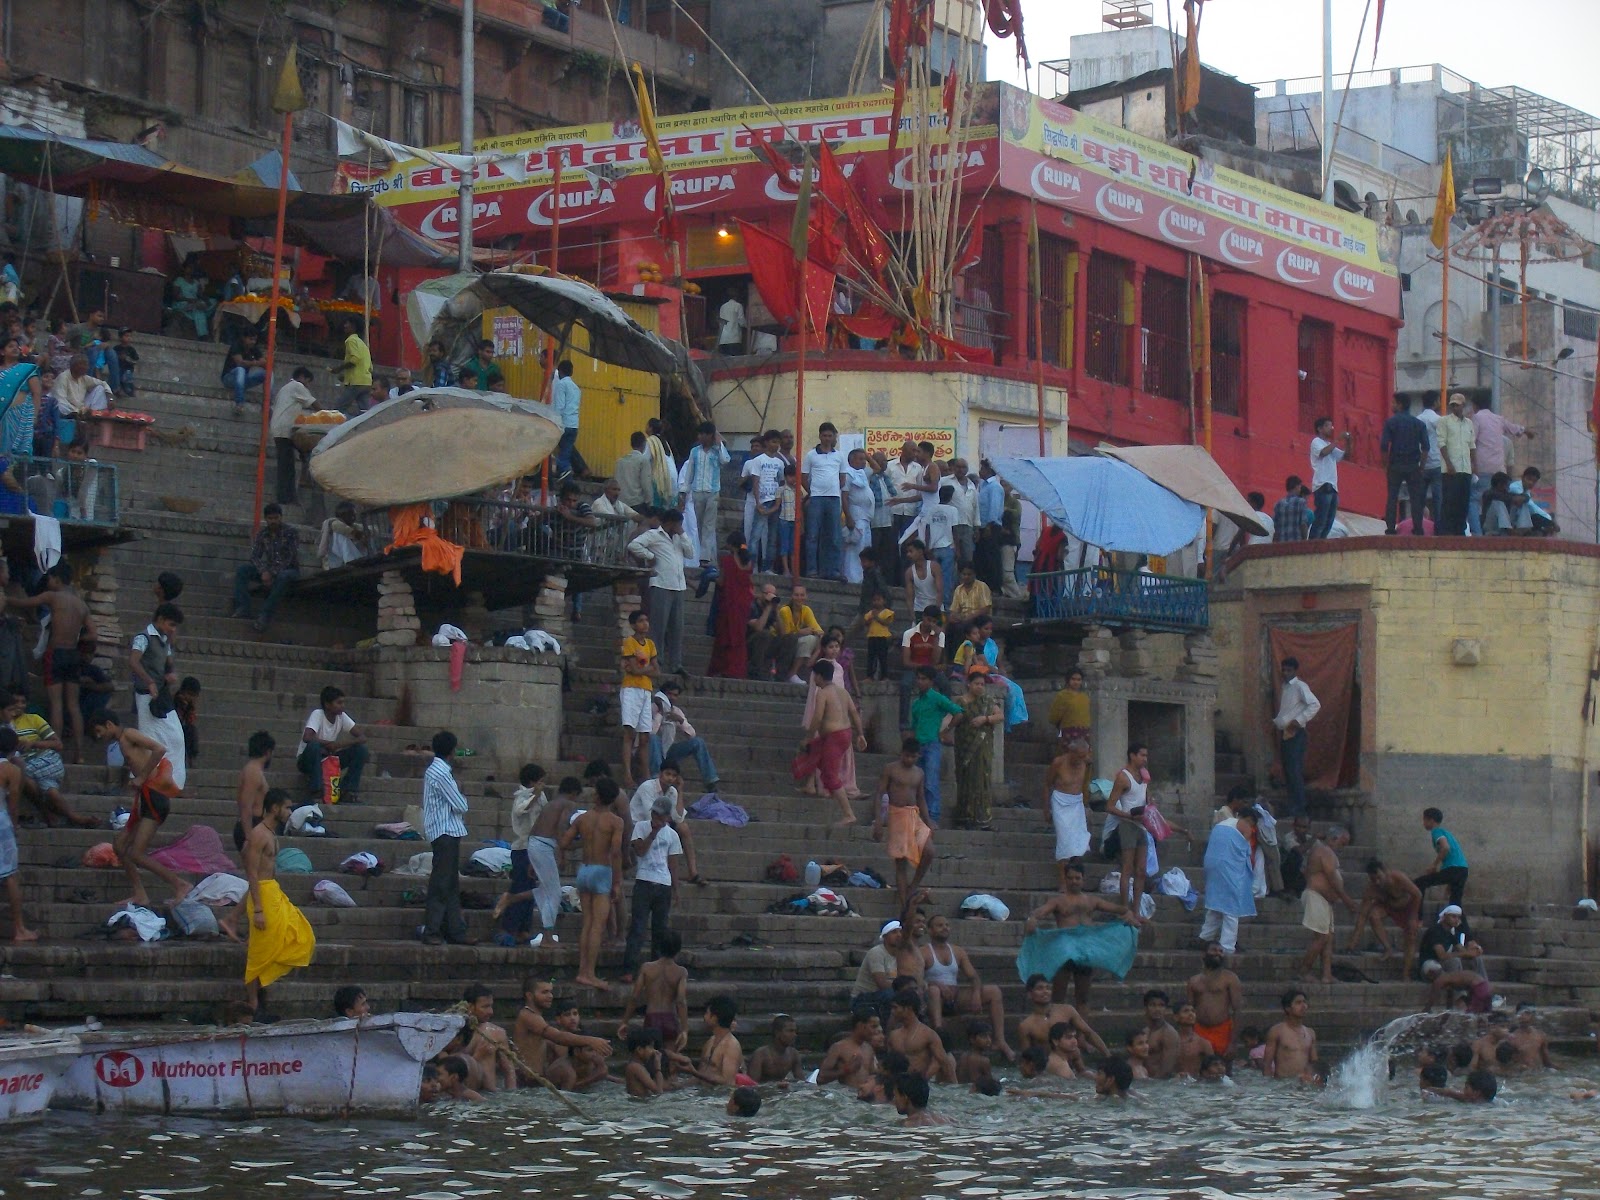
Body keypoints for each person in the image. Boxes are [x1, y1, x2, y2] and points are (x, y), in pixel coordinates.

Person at [90, 713, 188, 907]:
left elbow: (159, 749)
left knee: (136, 853)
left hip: (155, 797)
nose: (99, 736)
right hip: (144, 798)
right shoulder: (121, 742)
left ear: (109, 724)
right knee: (119, 845)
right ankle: (139, 893)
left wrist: (142, 776)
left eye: (100, 731)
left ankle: (180, 884)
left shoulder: (129, 735)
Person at [1018, 863, 1141, 1010]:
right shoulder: (1058, 901)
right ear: (1065, 879)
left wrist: (1128, 913)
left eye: (1077, 878)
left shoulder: (1092, 900)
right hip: (1064, 951)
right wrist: (1032, 919)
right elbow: (1040, 912)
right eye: (1070, 878)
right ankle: (1058, 1029)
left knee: (1083, 997)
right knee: (1058, 996)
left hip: (1085, 952)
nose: (1074, 881)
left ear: (1083, 879)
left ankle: (1082, 1032)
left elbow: (1118, 909)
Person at [10, 561, 94, 765]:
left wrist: (6, 599)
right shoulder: (81, 605)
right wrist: (78, 642)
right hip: (73, 655)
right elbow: (93, 634)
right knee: (73, 705)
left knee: (56, 704)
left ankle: (54, 751)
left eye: (49, 578)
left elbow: (26, 604)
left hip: (55, 654)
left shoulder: (52, 597)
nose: (47, 581)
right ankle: (80, 753)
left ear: (56, 579)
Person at [242, 788, 315, 1016]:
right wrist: (259, 909)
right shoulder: (259, 834)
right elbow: (252, 873)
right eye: (286, 807)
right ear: (275, 808)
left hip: (273, 892)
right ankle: (253, 1004)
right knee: (259, 952)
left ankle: (260, 1000)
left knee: (302, 936)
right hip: (262, 896)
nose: (289, 812)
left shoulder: (271, 833)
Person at [559, 775, 625, 991]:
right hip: (602, 871)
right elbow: (615, 853)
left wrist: (583, 845)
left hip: (584, 870)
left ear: (597, 796)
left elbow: (565, 843)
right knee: (598, 926)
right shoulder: (616, 822)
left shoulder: (582, 819)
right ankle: (590, 973)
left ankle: (581, 971)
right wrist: (617, 882)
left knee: (587, 923)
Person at [921, 913, 1014, 1061]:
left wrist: (976, 994)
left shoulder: (957, 951)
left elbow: (974, 977)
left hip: (955, 997)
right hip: (933, 998)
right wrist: (936, 984)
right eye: (940, 925)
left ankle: (1000, 1040)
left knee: (993, 991)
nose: (945, 928)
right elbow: (918, 980)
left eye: (947, 925)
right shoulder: (924, 952)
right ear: (930, 931)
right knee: (934, 991)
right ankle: (938, 1037)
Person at [419, 730, 473, 947]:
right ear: (452, 750)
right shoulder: (441, 773)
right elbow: (461, 805)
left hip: (446, 831)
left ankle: (455, 931)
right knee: (441, 884)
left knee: (450, 884)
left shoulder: (436, 770)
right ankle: (432, 930)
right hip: (445, 832)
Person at [621, 797, 684, 981]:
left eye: (661, 815)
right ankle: (629, 969)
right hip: (644, 882)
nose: (656, 817)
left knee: (660, 930)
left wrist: (676, 889)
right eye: (655, 813)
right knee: (637, 927)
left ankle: (656, 969)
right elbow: (639, 850)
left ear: (666, 817)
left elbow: (673, 863)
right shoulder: (640, 827)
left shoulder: (672, 834)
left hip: (663, 884)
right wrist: (653, 833)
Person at [799, 659, 867, 826]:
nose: (813, 680)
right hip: (844, 734)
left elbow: (817, 717)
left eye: (814, 676)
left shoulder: (822, 693)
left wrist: (808, 736)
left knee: (830, 775)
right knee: (813, 755)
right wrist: (860, 735)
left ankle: (848, 814)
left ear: (820, 676)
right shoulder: (843, 692)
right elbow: (854, 713)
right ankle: (809, 784)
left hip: (834, 737)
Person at [872, 737, 936, 910]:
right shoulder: (890, 769)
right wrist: (879, 821)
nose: (909, 760)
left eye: (913, 757)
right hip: (896, 815)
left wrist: (928, 822)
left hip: (914, 815)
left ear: (918, 756)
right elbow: (879, 794)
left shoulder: (919, 773)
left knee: (929, 851)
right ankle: (905, 906)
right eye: (906, 756)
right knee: (901, 862)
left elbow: (921, 798)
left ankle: (913, 886)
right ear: (901, 753)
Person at [629, 508, 693, 677]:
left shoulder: (679, 538)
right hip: (661, 585)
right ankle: (657, 661)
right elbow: (634, 545)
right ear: (669, 523)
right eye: (677, 524)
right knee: (658, 626)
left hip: (679, 586)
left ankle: (676, 663)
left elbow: (690, 553)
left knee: (677, 628)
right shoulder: (654, 535)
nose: (679, 527)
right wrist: (649, 556)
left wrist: (684, 534)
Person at [515, 978, 612, 1086]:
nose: (550, 996)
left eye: (550, 992)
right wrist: (590, 1040)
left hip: (535, 1081)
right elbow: (558, 1037)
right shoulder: (528, 1016)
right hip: (527, 1082)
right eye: (544, 992)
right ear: (529, 995)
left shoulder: (535, 1016)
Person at [1299, 825, 1356, 984]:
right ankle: (1304, 971)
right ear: (1333, 839)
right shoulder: (1323, 850)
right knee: (1322, 937)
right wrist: (1346, 899)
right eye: (1342, 843)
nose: (1343, 848)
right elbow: (1330, 876)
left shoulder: (1327, 852)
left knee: (1328, 938)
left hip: (1324, 900)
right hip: (1315, 896)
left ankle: (1327, 974)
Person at [1468, 395, 1531, 537]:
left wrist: (1472, 465)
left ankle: (1478, 533)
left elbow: (1471, 441)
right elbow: (1515, 429)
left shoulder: (1477, 418)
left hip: (1483, 468)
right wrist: (1526, 431)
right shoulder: (1498, 419)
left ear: (1475, 406)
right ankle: (1500, 531)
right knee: (1499, 499)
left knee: (1474, 500)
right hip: (1499, 469)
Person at [1199, 806, 1258, 956]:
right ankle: (1227, 947)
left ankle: (1205, 938)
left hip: (1212, 867)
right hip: (1228, 869)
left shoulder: (1221, 825)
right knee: (1231, 909)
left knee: (1215, 906)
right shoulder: (1242, 825)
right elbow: (1245, 842)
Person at [907, 665, 962, 827]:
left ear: (931, 682)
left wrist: (946, 730)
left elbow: (958, 712)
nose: (920, 682)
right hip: (918, 746)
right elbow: (913, 726)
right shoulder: (916, 704)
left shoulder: (937, 698)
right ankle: (918, 815)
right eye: (918, 678)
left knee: (931, 782)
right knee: (917, 782)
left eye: (924, 679)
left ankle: (933, 816)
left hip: (932, 744)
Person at [1349, 859, 1423, 978]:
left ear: (1384, 871)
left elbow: (1418, 894)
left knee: (1411, 935)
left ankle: (1406, 973)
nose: (1377, 882)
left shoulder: (1399, 878)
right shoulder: (1372, 889)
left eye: (1379, 877)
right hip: (1388, 906)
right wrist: (1352, 944)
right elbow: (1362, 915)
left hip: (1408, 906)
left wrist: (1414, 917)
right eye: (1374, 879)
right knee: (1373, 915)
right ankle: (1388, 948)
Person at [232, 503, 300, 633]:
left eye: (276, 518)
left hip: (289, 571)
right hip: (268, 571)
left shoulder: (291, 533)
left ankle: (265, 615)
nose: (273, 521)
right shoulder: (263, 534)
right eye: (270, 518)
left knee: (283, 576)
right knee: (243, 570)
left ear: (281, 517)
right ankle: (243, 607)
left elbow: (290, 557)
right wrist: (263, 571)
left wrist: (272, 573)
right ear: (266, 519)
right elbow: (255, 556)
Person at [297, 685, 368, 805]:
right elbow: (307, 737)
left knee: (361, 750)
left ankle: (348, 791)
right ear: (327, 705)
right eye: (339, 703)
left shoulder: (342, 717)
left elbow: (362, 737)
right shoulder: (318, 714)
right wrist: (328, 744)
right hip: (308, 760)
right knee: (314, 746)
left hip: (329, 760)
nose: (342, 706)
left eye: (343, 702)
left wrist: (339, 744)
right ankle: (316, 791)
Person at [951, 665, 1001, 829]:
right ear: (969, 684)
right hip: (965, 747)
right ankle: (964, 817)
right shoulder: (961, 702)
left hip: (983, 747)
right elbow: (954, 720)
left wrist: (985, 719)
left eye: (982, 684)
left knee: (982, 780)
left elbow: (1000, 715)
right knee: (966, 780)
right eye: (977, 684)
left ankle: (982, 819)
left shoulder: (987, 701)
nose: (980, 687)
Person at [652, 680, 722, 793]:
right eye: (669, 694)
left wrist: (680, 720)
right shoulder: (652, 709)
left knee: (698, 742)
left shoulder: (676, 711)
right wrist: (660, 713)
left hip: (669, 751)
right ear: (663, 694)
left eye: (675, 695)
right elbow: (651, 733)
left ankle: (711, 781)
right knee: (653, 739)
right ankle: (656, 778)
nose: (672, 698)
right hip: (652, 751)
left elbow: (692, 734)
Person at [1106, 744, 1152, 914]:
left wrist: (1150, 807)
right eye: (1142, 755)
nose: (1145, 759)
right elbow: (1110, 806)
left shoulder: (1145, 775)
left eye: (1146, 755)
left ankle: (1136, 910)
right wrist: (1130, 816)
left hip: (1142, 826)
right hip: (1128, 825)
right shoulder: (1123, 777)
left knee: (1141, 871)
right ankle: (1125, 909)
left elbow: (1147, 799)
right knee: (1127, 868)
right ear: (1132, 756)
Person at [0, 729, 36, 942]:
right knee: (10, 876)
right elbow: (13, 804)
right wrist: (15, 826)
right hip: (1, 821)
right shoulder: (12, 770)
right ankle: (19, 929)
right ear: (13, 749)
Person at [1273, 657, 1319, 818]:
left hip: (1296, 733)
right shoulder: (1285, 688)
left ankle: (1299, 807)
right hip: (1285, 731)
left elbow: (1314, 704)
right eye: (1284, 670)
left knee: (1294, 771)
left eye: (1289, 670)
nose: (1286, 673)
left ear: (1295, 671)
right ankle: (1293, 804)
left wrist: (1298, 721)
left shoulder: (1300, 686)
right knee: (1288, 771)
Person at [679, 421, 728, 569]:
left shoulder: (717, 451)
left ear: (710, 435)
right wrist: (684, 491)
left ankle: (705, 558)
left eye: (703, 434)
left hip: (712, 492)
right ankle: (702, 555)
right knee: (699, 525)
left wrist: (720, 444)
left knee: (708, 525)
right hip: (697, 492)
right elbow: (690, 472)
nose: (700, 437)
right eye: (699, 434)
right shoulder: (695, 451)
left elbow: (725, 460)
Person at [667, 995, 745, 1087]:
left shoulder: (732, 1046)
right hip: (703, 1095)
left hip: (719, 1098)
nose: (704, 1017)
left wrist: (693, 1071)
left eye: (707, 1013)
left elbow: (728, 1082)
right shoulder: (710, 1042)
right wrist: (679, 1085)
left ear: (714, 1018)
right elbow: (700, 1076)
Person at [619, 610, 659, 788]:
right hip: (631, 690)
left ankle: (646, 776)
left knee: (644, 738)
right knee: (629, 734)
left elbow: (656, 670)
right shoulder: (629, 642)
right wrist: (646, 669)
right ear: (634, 625)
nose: (645, 624)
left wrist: (639, 669)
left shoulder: (650, 644)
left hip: (645, 690)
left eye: (647, 620)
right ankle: (627, 775)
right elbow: (635, 670)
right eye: (641, 621)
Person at [269, 367, 320, 506]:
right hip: (284, 430)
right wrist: (328, 415)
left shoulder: (285, 389)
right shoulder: (297, 386)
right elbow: (313, 403)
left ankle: (290, 494)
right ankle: (286, 498)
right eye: (308, 382)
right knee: (286, 467)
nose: (308, 385)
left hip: (280, 429)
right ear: (302, 377)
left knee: (288, 464)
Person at [1044, 737, 1092, 883]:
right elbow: (1047, 785)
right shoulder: (1058, 763)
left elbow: (1084, 785)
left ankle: (1075, 878)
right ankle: (1063, 881)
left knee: (1079, 842)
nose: (1082, 759)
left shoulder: (1086, 763)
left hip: (1077, 803)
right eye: (1080, 756)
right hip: (1060, 802)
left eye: (1084, 756)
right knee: (1064, 842)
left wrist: (1086, 804)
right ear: (1071, 752)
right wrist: (1046, 809)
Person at [1380, 397, 1429, 535]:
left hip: (1395, 464)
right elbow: (1426, 447)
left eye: (1394, 403)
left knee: (1392, 497)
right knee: (1416, 498)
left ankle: (1390, 528)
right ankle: (1418, 528)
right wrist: (1422, 466)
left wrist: (1385, 465)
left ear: (1400, 405)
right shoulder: (1418, 424)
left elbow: (1384, 445)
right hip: (1413, 465)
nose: (1392, 405)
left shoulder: (1391, 422)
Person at [1187, 942, 1243, 1058]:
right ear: (1204, 954)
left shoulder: (1230, 978)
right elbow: (1188, 1010)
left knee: (1223, 1070)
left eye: (1221, 951)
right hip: (1199, 1030)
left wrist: (1233, 1043)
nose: (1218, 953)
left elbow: (1237, 1010)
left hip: (1222, 1030)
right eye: (1214, 950)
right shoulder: (1193, 981)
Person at [887, 990, 955, 1082]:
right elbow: (888, 1065)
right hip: (898, 1085)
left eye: (895, 1008)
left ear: (908, 1008)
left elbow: (945, 1064)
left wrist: (956, 1090)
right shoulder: (893, 1035)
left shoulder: (928, 1034)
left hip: (919, 1085)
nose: (892, 1011)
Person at [898, 604, 944, 731]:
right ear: (923, 617)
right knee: (905, 685)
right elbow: (906, 662)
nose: (931, 624)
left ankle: (944, 722)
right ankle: (904, 724)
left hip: (931, 670)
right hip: (913, 668)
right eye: (929, 620)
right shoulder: (909, 634)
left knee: (945, 685)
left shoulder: (940, 635)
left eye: (934, 622)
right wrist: (923, 666)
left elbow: (935, 661)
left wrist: (936, 638)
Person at [1414, 806, 1469, 908]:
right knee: (1455, 905)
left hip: (1453, 869)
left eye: (1424, 820)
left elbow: (1445, 848)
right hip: (1463, 869)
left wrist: (1434, 865)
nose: (1423, 823)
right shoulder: (1446, 832)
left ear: (1431, 820)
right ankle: (1460, 924)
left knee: (1419, 883)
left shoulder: (1436, 831)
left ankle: (1418, 918)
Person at [1438, 393, 1477, 536]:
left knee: (1463, 502)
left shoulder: (1469, 423)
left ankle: (1459, 531)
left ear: (1463, 406)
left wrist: (1474, 465)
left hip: (1465, 469)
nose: (1455, 407)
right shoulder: (1444, 421)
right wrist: (1449, 464)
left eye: (1457, 405)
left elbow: (1471, 445)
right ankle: (1446, 532)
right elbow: (1442, 444)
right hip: (1450, 469)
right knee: (1449, 501)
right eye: (1453, 405)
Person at [1307, 417, 1352, 539]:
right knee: (1321, 519)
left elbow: (1345, 456)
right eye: (1327, 426)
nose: (1330, 429)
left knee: (1329, 521)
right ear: (1319, 429)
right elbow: (1323, 452)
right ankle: (1312, 544)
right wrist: (1338, 439)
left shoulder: (1329, 445)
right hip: (1322, 485)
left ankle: (1321, 543)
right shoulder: (1316, 442)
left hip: (1332, 487)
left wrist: (1348, 442)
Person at [1263, 988, 1320, 1083]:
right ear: (1288, 1008)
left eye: (1304, 1002)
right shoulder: (1277, 1031)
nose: (1303, 1006)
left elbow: (1315, 1064)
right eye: (1298, 1003)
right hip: (1282, 1083)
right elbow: (1267, 1064)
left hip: (1303, 1084)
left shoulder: (1310, 1033)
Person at [818, 1006, 882, 1087]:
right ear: (860, 1026)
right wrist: (846, 1070)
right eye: (873, 1026)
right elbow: (820, 1078)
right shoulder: (838, 1047)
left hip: (864, 1096)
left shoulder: (869, 1048)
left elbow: (873, 1074)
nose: (876, 1031)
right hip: (847, 1097)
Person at [233, 731, 274, 853]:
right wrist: (249, 837)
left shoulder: (254, 770)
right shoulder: (253, 771)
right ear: (268, 752)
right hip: (252, 826)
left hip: (257, 825)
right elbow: (246, 805)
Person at [776, 585, 824, 684]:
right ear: (791, 596)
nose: (799, 598)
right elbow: (786, 635)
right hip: (781, 642)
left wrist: (818, 642)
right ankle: (792, 674)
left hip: (795, 642)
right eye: (796, 595)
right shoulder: (785, 611)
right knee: (809, 639)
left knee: (812, 639)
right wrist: (800, 632)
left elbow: (818, 630)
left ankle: (795, 673)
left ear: (806, 596)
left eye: (802, 595)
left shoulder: (806, 610)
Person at [841, 448, 875, 586]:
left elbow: (877, 468)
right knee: (855, 547)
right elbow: (845, 496)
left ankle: (861, 577)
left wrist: (867, 455)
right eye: (860, 459)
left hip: (866, 517)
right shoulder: (848, 474)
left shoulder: (862, 473)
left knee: (865, 547)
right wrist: (849, 517)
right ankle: (852, 578)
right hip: (856, 515)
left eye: (864, 459)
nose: (863, 461)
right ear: (851, 460)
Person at [746, 1014, 803, 1085]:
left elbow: (802, 1084)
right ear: (777, 1032)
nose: (794, 1035)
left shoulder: (794, 1054)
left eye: (795, 1031)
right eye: (790, 1031)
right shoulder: (761, 1055)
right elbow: (751, 1086)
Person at [220, 329, 267, 414]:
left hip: (243, 380)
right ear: (244, 338)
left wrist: (256, 362)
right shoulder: (236, 346)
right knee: (240, 370)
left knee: (267, 374)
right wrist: (256, 363)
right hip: (229, 379)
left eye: (255, 340)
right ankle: (239, 403)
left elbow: (264, 363)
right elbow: (240, 363)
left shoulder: (254, 348)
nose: (253, 342)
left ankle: (267, 404)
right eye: (251, 339)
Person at [550, 359, 583, 480]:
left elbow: (559, 406)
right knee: (566, 454)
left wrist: (555, 421)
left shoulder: (561, 384)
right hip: (574, 425)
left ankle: (562, 471)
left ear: (560, 371)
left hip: (563, 424)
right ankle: (567, 477)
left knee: (559, 454)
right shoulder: (576, 388)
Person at [855, 590, 896, 683]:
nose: (876, 602)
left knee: (883, 657)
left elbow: (886, 623)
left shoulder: (887, 612)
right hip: (872, 636)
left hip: (883, 637)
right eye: (874, 600)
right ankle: (870, 676)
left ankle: (884, 676)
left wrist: (876, 617)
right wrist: (870, 618)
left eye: (879, 600)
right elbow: (866, 623)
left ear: (884, 601)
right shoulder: (870, 613)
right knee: (871, 657)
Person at [317, 502, 370, 571]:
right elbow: (321, 553)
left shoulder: (354, 526)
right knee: (341, 535)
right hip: (336, 565)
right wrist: (357, 535)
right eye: (350, 515)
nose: (353, 518)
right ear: (342, 516)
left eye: (354, 515)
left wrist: (363, 535)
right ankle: (352, 562)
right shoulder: (334, 526)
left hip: (354, 559)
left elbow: (369, 530)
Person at [1047, 667, 1091, 749]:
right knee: (1068, 758)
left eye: (1079, 680)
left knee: (1083, 759)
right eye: (1073, 679)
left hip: (1084, 734)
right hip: (1068, 733)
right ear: (1068, 680)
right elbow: (1053, 718)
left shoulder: (1085, 698)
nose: (1076, 682)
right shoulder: (1062, 696)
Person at [334, 319, 372, 412]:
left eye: (347, 323)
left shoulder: (351, 340)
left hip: (356, 381)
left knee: (339, 409)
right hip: (366, 382)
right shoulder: (362, 343)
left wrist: (339, 369)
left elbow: (355, 359)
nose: (345, 325)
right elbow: (369, 366)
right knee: (365, 412)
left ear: (353, 326)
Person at [902, 538, 943, 622]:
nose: (908, 555)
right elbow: (909, 597)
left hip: (936, 609)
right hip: (919, 611)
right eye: (907, 552)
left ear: (920, 551)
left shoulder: (934, 566)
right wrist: (912, 615)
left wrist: (937, 611)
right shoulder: (909, 572)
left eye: (911, 551)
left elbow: (940, 591)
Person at [623, 1028, 667, 1097]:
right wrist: (658, 1068)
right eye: (650, 1047)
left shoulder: (634, 1065)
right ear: (640, 1050)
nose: (653, 1051)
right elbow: (658, 1091)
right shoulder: (636, 1067)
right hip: (640, 1104)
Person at [1509, 1003, 1553, 1070]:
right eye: (1526, 1013)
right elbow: (1507, 1064)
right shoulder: (1512, 1038)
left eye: (1531, 1013)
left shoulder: (1540, 1035)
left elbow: (1547, 1062)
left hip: (1540, 1075)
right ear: (1518, 1015)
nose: (1529, 1016)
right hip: (1521, 1077)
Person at [1273, 475, 1311, 543]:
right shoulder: (1301, 502)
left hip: (1282, 543)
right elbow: (1303, 524)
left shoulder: (1278, 504)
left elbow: (1276, 528)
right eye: (1300, 486)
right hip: (1296, 543)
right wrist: (1305, 541)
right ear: (1296, 486)